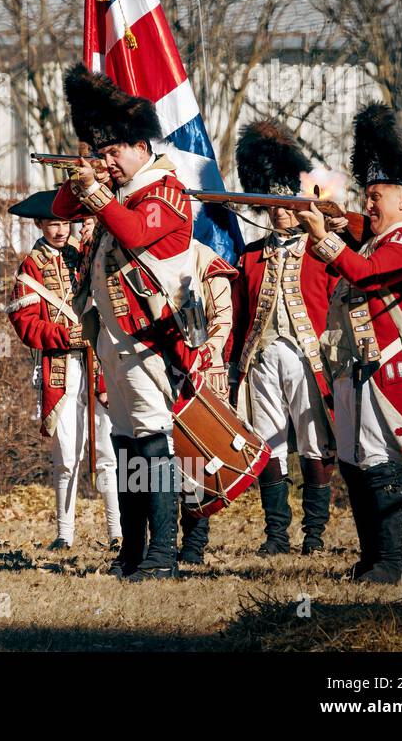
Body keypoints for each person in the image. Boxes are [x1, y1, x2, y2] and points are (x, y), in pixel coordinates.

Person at [51, 65, 212, 582]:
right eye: (101, 153)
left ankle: (163, 553)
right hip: (114, 338)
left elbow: (139, 234)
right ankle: (133, 552)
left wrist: (98, 194)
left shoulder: (163, 190)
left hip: (152, 337)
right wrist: (84, 180)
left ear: (141, 146)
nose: (107, 162)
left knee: (151, 441)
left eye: (113, 151)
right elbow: (60, 207)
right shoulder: (116, 190)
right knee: (125, 443)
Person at [295, 104, 402, 584]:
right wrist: (337, 228)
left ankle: (393, 564)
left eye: (376, 196)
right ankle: (371, 559)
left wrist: (327, 239)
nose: (369, 205)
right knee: (354, 460)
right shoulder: (377, 237)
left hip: (391, 368)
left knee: (380, 459)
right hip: (358, 361)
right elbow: (361, 255)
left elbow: (366, 273)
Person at [231, 120, 345, 557]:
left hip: (308, 359)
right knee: (269, 444)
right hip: (261, 358)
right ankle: (276, 534)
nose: (280, 210)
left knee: (316, 444)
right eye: (272, 203)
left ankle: (314, 535)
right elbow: (239, 317)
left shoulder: (325, 249)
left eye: (287, 202)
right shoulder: (250, 256)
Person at [5, 193, 121, 552]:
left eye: (64, 223)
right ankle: (64, 533)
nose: (59, 230)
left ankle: (117, 531)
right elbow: (25, 324)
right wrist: (65, 335)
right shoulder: (30, 267)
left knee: (108, 453)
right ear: (39, 225)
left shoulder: (88, 256)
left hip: (99, 364)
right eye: (52, 223)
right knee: (67, 455)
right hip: (61, 366)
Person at [176, 240, 238, 566]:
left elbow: (221, 320)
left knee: (195, 460)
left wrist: (197, 357)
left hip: (200, 370)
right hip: (158, 370)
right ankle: (158, 541)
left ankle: (194, 542)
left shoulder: (204, 259)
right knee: (155, 462)